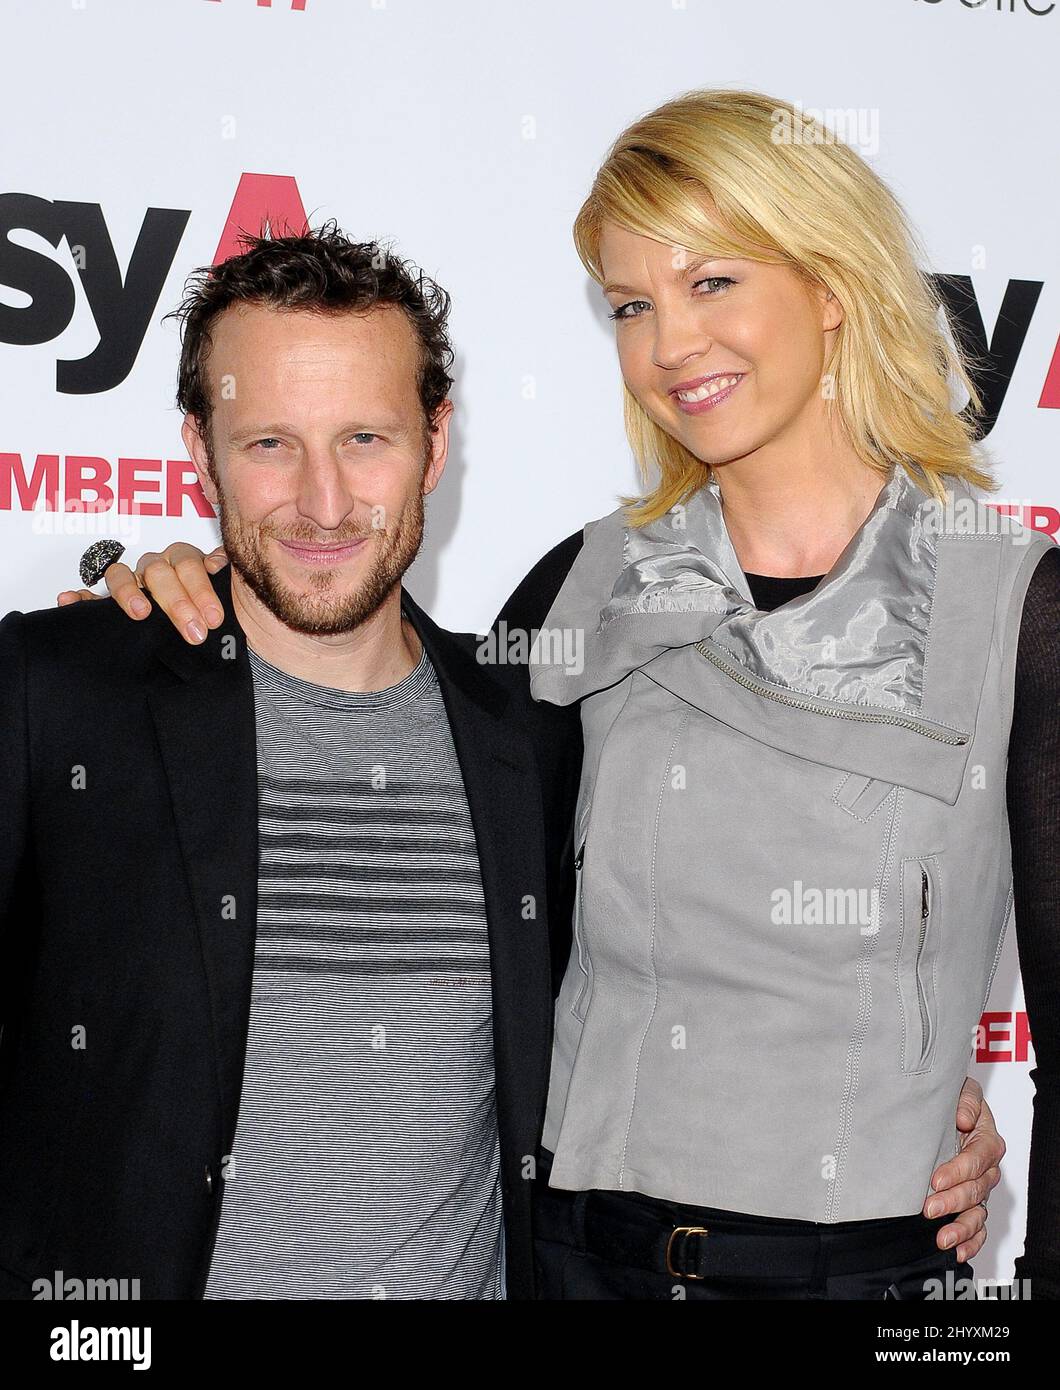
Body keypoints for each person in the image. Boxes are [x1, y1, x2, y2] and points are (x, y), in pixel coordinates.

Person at [67, 92, 1026, 1293]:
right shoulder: (580, 586)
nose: (671, 343)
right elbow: (361, 685)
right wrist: (175, 596)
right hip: (576, 1269)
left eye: (712, 282)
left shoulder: (1014, 608)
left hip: (867, 1275)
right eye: (633, 304)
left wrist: (953, 1127)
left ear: (833, 285)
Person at [0, 225, 583, 1300]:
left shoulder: (536, 730)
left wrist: (916, 1114)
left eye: (365, 438)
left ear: (436, 443)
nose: (322, 502)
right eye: (270, 442)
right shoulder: (61, 693)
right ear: (198, 450)